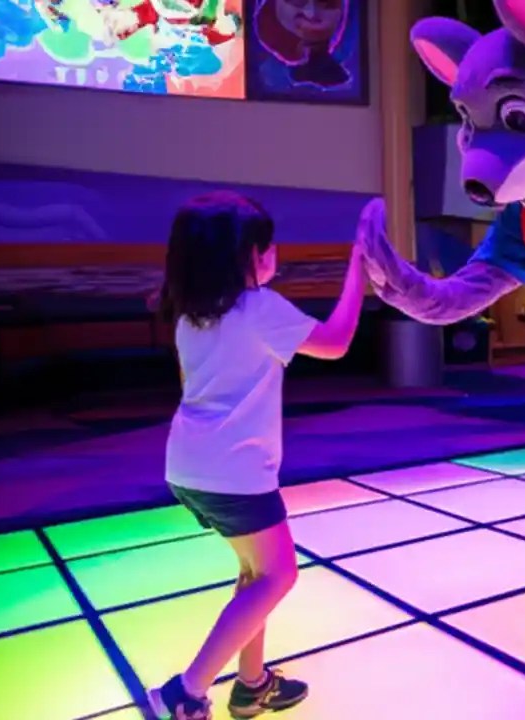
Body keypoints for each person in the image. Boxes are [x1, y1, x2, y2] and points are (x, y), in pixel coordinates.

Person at [150, 190, 369, 719]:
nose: (275, 258)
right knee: (279, 574)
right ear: (240, 257)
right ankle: (187, 691)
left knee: (255, 572)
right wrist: (359, 271)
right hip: (235, 474)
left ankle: (252, 684)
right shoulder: (259, 309)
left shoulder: (190, 318)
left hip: (188, 467)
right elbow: (336, 342)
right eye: (265, 249)